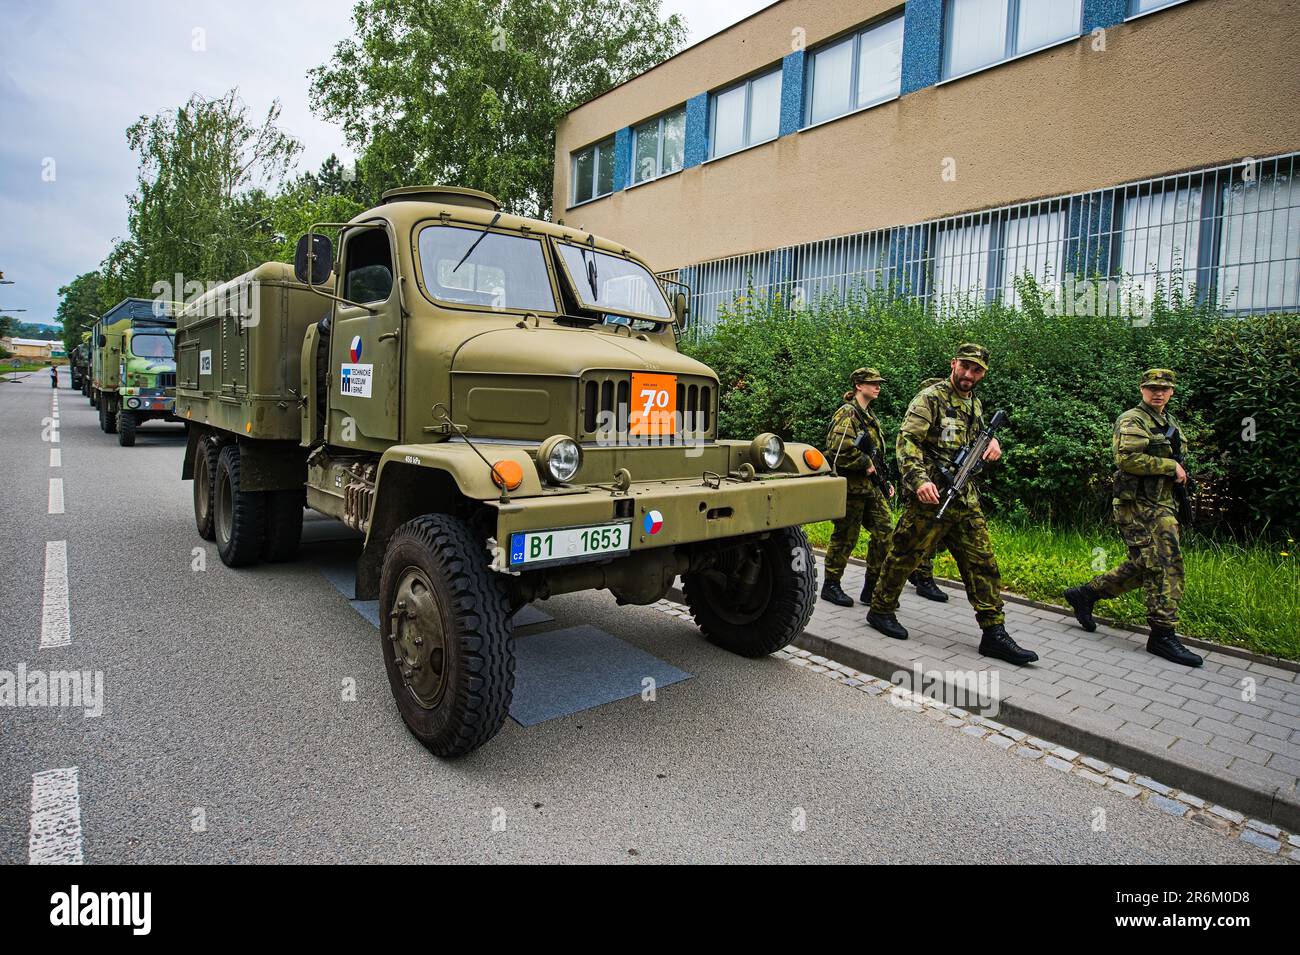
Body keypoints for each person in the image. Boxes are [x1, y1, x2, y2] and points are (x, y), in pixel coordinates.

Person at [866, 344, 1038, 666]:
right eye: (966, 367)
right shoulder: (930, 398)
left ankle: (994, 633)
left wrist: (993, 444)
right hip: (931, 496)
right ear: (954, 363)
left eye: (977, 371)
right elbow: (907, 442)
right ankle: (881, 609)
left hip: (964, 498)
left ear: (983, 374)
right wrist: (919, 481)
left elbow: (976, 441)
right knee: (905, 555)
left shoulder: (975, 404)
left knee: (982, 562)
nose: (969, 375)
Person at [1063, 369, 1202, 667]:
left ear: (1172, 392)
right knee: (1166, 564)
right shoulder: (1133, 420)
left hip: (1162, 503)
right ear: (1142, 389)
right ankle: (1162, 635)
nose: (1158, 393)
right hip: (1138, 505)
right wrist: (1169, 467)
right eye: (1152, 388)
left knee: (1144, 566)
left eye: (1164, 388)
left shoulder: (1168, 422)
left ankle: (1085, 595)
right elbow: (1126, 459)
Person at [821, 368, 894, 607]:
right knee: (845, 537)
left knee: (885, 534)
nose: (878, 387)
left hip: (870, 487)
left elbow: (876, 454)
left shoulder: (869, 416)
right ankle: (831, 585)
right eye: (872, 383)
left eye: (878, 383)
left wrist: (884, 479)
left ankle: (872, 587)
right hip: (852, 487)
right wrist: (866, 464)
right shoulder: (848, 414)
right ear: (859, 386)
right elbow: (838, 451)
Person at [908, 377, 950, 604]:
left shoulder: (949, 419)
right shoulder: (921, 414)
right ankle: (922, 577)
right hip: (925, 482)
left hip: (942, 483)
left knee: (932, 535)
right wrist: (918, 480)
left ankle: (914, 571)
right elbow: (910, 446)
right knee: (925, 533)